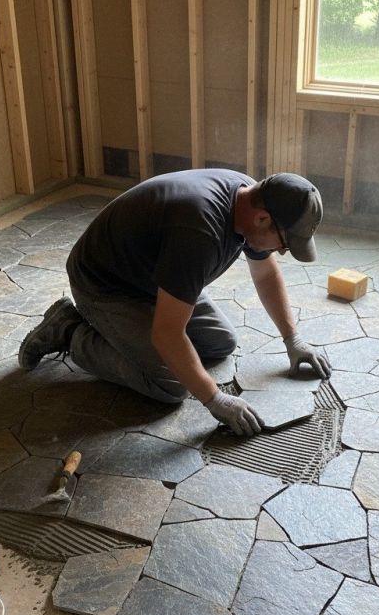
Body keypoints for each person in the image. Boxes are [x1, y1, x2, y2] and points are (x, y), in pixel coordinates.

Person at [18, 169, 332, 437]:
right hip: (106, 285)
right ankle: (69, 330)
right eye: (285, 243)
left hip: (153, 277)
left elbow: (265, 275)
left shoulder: (252, 198)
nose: (282, 251)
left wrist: (293, 339)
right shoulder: (199, 231)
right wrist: (215, 399)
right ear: (263, 219)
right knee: (168, 386)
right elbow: (167, 334)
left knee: (220, 342)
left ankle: (133, 322)